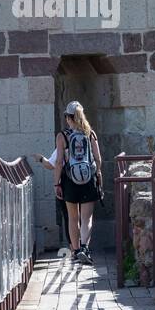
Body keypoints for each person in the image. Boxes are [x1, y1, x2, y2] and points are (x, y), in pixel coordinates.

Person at [53, 100, 103, 265]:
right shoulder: (90, 133)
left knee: (73, 218)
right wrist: (98, 174)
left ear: (68, 117)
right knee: (87, 218)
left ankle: (75, 252)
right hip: (88, 179)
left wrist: (57, 183)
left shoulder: (62, 136)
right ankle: (84, 248)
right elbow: (98, 158)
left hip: (69, 181)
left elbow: (59, 162)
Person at [35, 147, 70, 253]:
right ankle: (84, 245)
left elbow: (51, 164)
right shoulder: (88, 137)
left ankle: (74, 248)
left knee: (70, 217)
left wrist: (41, 159)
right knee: (84, 217)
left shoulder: (64, 140)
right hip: (85, 182)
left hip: (68, 184)